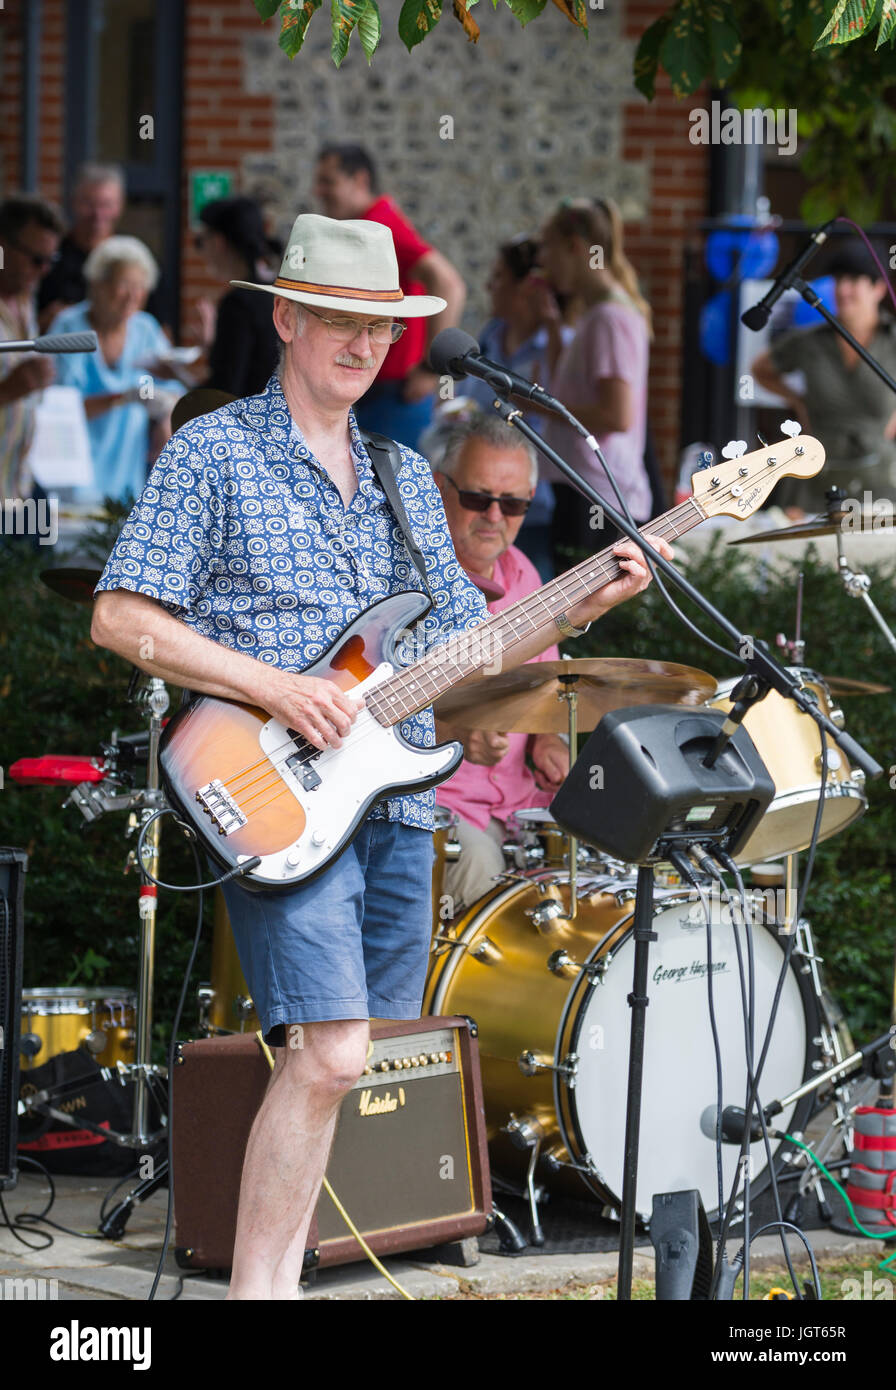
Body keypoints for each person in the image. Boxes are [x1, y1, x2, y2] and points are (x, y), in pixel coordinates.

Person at [89, 211, 670, 1300]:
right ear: (289, 320)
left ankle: (279, 1280)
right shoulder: (216, 451)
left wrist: (583, 602)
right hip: (272, 791)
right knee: (336, 1051)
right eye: (341, 321)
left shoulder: (407, 478)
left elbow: (462, 654)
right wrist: (276, 688)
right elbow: (121, 619)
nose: (363, 344)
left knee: (345, 1065)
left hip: (398, 807)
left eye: (379, 326)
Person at [430, 414, 569, 914]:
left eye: (512, 504)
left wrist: (549, 739)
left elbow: (546, 691)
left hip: (520, 806)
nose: (493, 515)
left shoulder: (525, 574)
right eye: (477, 497)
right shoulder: (405, 579)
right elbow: (363, 713)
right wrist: (453, 730)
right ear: (440, 487)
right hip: (435, 811)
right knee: (487, 882)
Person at [313, 143, 466, 451]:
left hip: (397, 392)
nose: (318, 191)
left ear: (360, 180)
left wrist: (431, 367)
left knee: (389, 491)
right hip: (376, 385)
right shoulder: (371, 222)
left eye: (328, 182)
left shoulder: (381, 224)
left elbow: (448, 282)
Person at [533, 197, 653, 564]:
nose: (544, 263)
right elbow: (568, 387)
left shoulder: (610, 318)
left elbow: (617, 415)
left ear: (574, 248)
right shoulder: (593, 315)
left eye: (549, 250)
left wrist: (537, 406)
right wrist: (553, 327)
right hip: (584, 490)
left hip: (600, 496)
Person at [750, 242, 896, 514]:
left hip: (882, 479)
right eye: (838, 280)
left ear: (878, 288)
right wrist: (796, 401)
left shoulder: (892, 340)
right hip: (817, 475)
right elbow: (760, 369)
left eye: (853, 280)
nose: (842, 290)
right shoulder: (810, 341)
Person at [454, 234, 560, 581]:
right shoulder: (490, 336)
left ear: (525, 288)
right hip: (478, 495)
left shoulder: (554, 345)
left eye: (499, 277)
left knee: (530, 596)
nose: (488, 286)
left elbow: (561, 407)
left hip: (534, 504)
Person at [50, 236, 182, 504]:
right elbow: (58, 407)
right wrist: (123, 397)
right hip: (72, 479)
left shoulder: (145, 329)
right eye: (124, 285)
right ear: (97, 284)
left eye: (141, 287)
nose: (133, 296)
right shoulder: (68, 327)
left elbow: (171, 390)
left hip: (126, 479)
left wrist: (164, 416)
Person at [0, 194, 63, 508]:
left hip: (17, 486)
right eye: (36, 259)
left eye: (52, 260)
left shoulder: (25, 301)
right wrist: (8, 390)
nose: (44, 270)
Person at [194, 196, 281, 397]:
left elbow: (226, 390)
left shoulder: (238, 304)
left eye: (201, 241)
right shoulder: (279, 292)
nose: (201, 252)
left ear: (218, 242)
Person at [37, 164, 126, 333]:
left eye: (106, 204)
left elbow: (162, 334)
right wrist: (50, 320)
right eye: (89, 204)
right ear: (73, 203)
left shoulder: (134, 261)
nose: (97, 214)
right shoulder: (49, 257)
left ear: (120, 206)